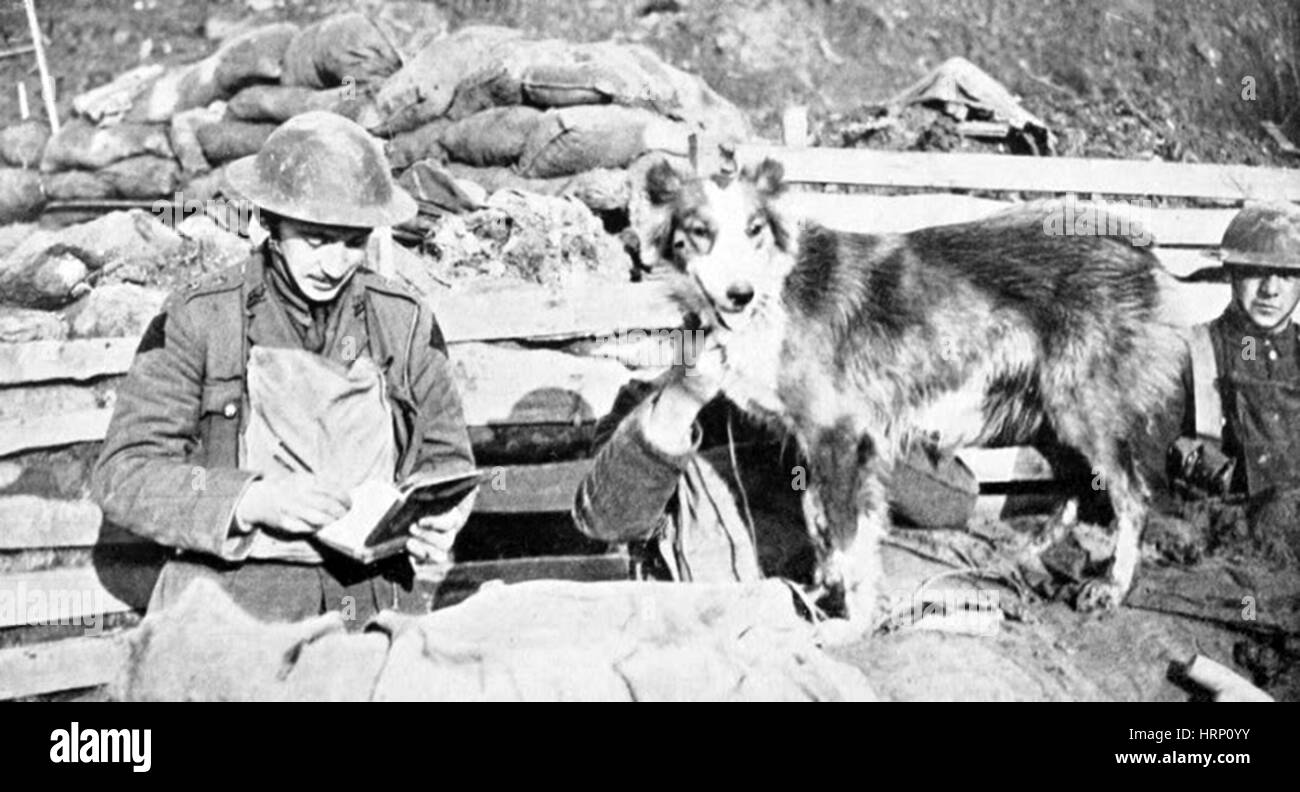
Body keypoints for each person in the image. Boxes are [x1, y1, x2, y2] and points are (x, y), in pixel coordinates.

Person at [92, 112, 476, 626]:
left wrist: (437, 520)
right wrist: (250, 499)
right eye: (315, 238)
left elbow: (446, 459)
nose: (334, 263)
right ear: (267, 224)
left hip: (370, 605)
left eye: (352, 241)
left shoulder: (403, 320)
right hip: (235, 604)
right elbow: (126, 473)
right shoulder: (200, 317)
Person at [571, 330, 979, 586]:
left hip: (821, 615)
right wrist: (683, 400)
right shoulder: (648, 400)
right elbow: (605, 519)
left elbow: (952, 504)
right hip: (712, 620)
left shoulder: (835, 393)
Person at [1167, 201, 1300, 561]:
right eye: (1255, 271)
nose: (1270, 290)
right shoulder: (1194, 354)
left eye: (1287, 275)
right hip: (1224, 552)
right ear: (1231, 274)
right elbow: (1143, 472)